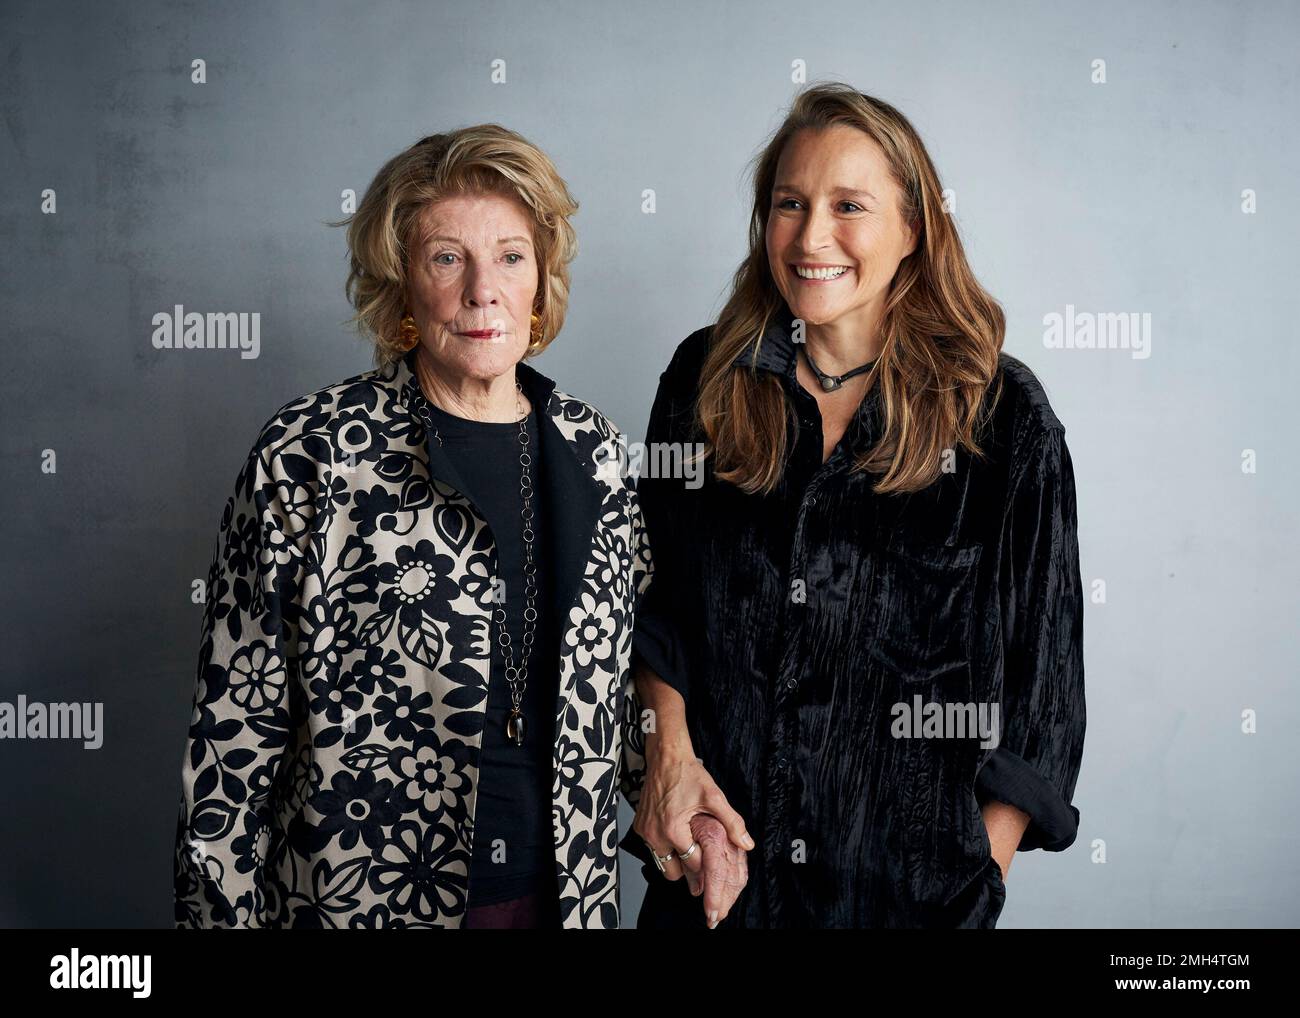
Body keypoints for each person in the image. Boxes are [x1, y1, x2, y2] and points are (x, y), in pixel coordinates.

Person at [626, 82, 1087, 928]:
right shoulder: (704, 382)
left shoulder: (1003, 415)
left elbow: (1045, 684)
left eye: (850, 205)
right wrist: (669, 762)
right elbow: (651, 606)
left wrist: (975, 875)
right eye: (789, 203)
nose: (811, 237)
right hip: (717, 891)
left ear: (913, 229)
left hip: (907, 905)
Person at [173, 124, 652, 929]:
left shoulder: (593, 449)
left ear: (540, 279)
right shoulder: (312, 453)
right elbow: (233, 736)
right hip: (364, 900)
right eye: (445, 258)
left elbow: (625, 688)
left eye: (509, 256)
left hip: (563, 898)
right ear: (401, 283)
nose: (481, 290)